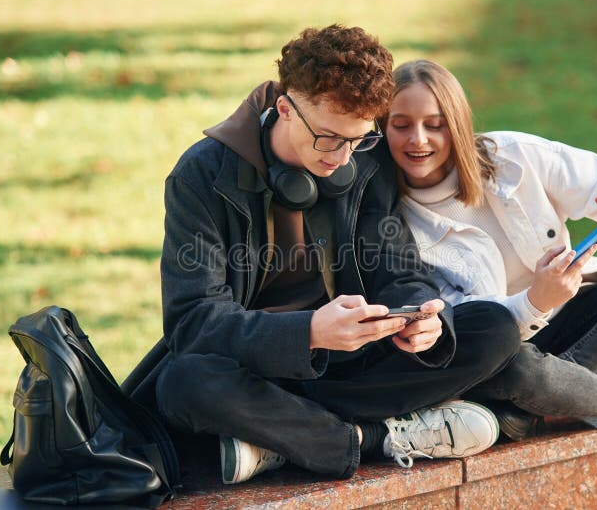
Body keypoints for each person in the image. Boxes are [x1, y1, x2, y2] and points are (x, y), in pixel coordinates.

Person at [123, 27, 522, 485]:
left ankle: (277, 440)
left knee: (491, 328)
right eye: (330, 138)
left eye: (358, 138)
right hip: (257, 373)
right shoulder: (201, 176)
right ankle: (373, 438)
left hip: (354, 365)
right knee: (185, 383)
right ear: (286, 110)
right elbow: (193, 323)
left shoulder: (366, 162)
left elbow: (397, 267)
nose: (343, 156)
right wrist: (309, 332)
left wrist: (424, 314)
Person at [382, 59, 597, 441]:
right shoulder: (390, 220)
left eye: (435, 125)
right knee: (516, 370)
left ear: (458, 124)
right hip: (510, 349)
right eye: (401, 125)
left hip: (585, 322)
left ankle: (546, 400)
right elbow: (457, 323)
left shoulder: (512, 156)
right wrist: (535, 300)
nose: (418, 139)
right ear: (383, 129)